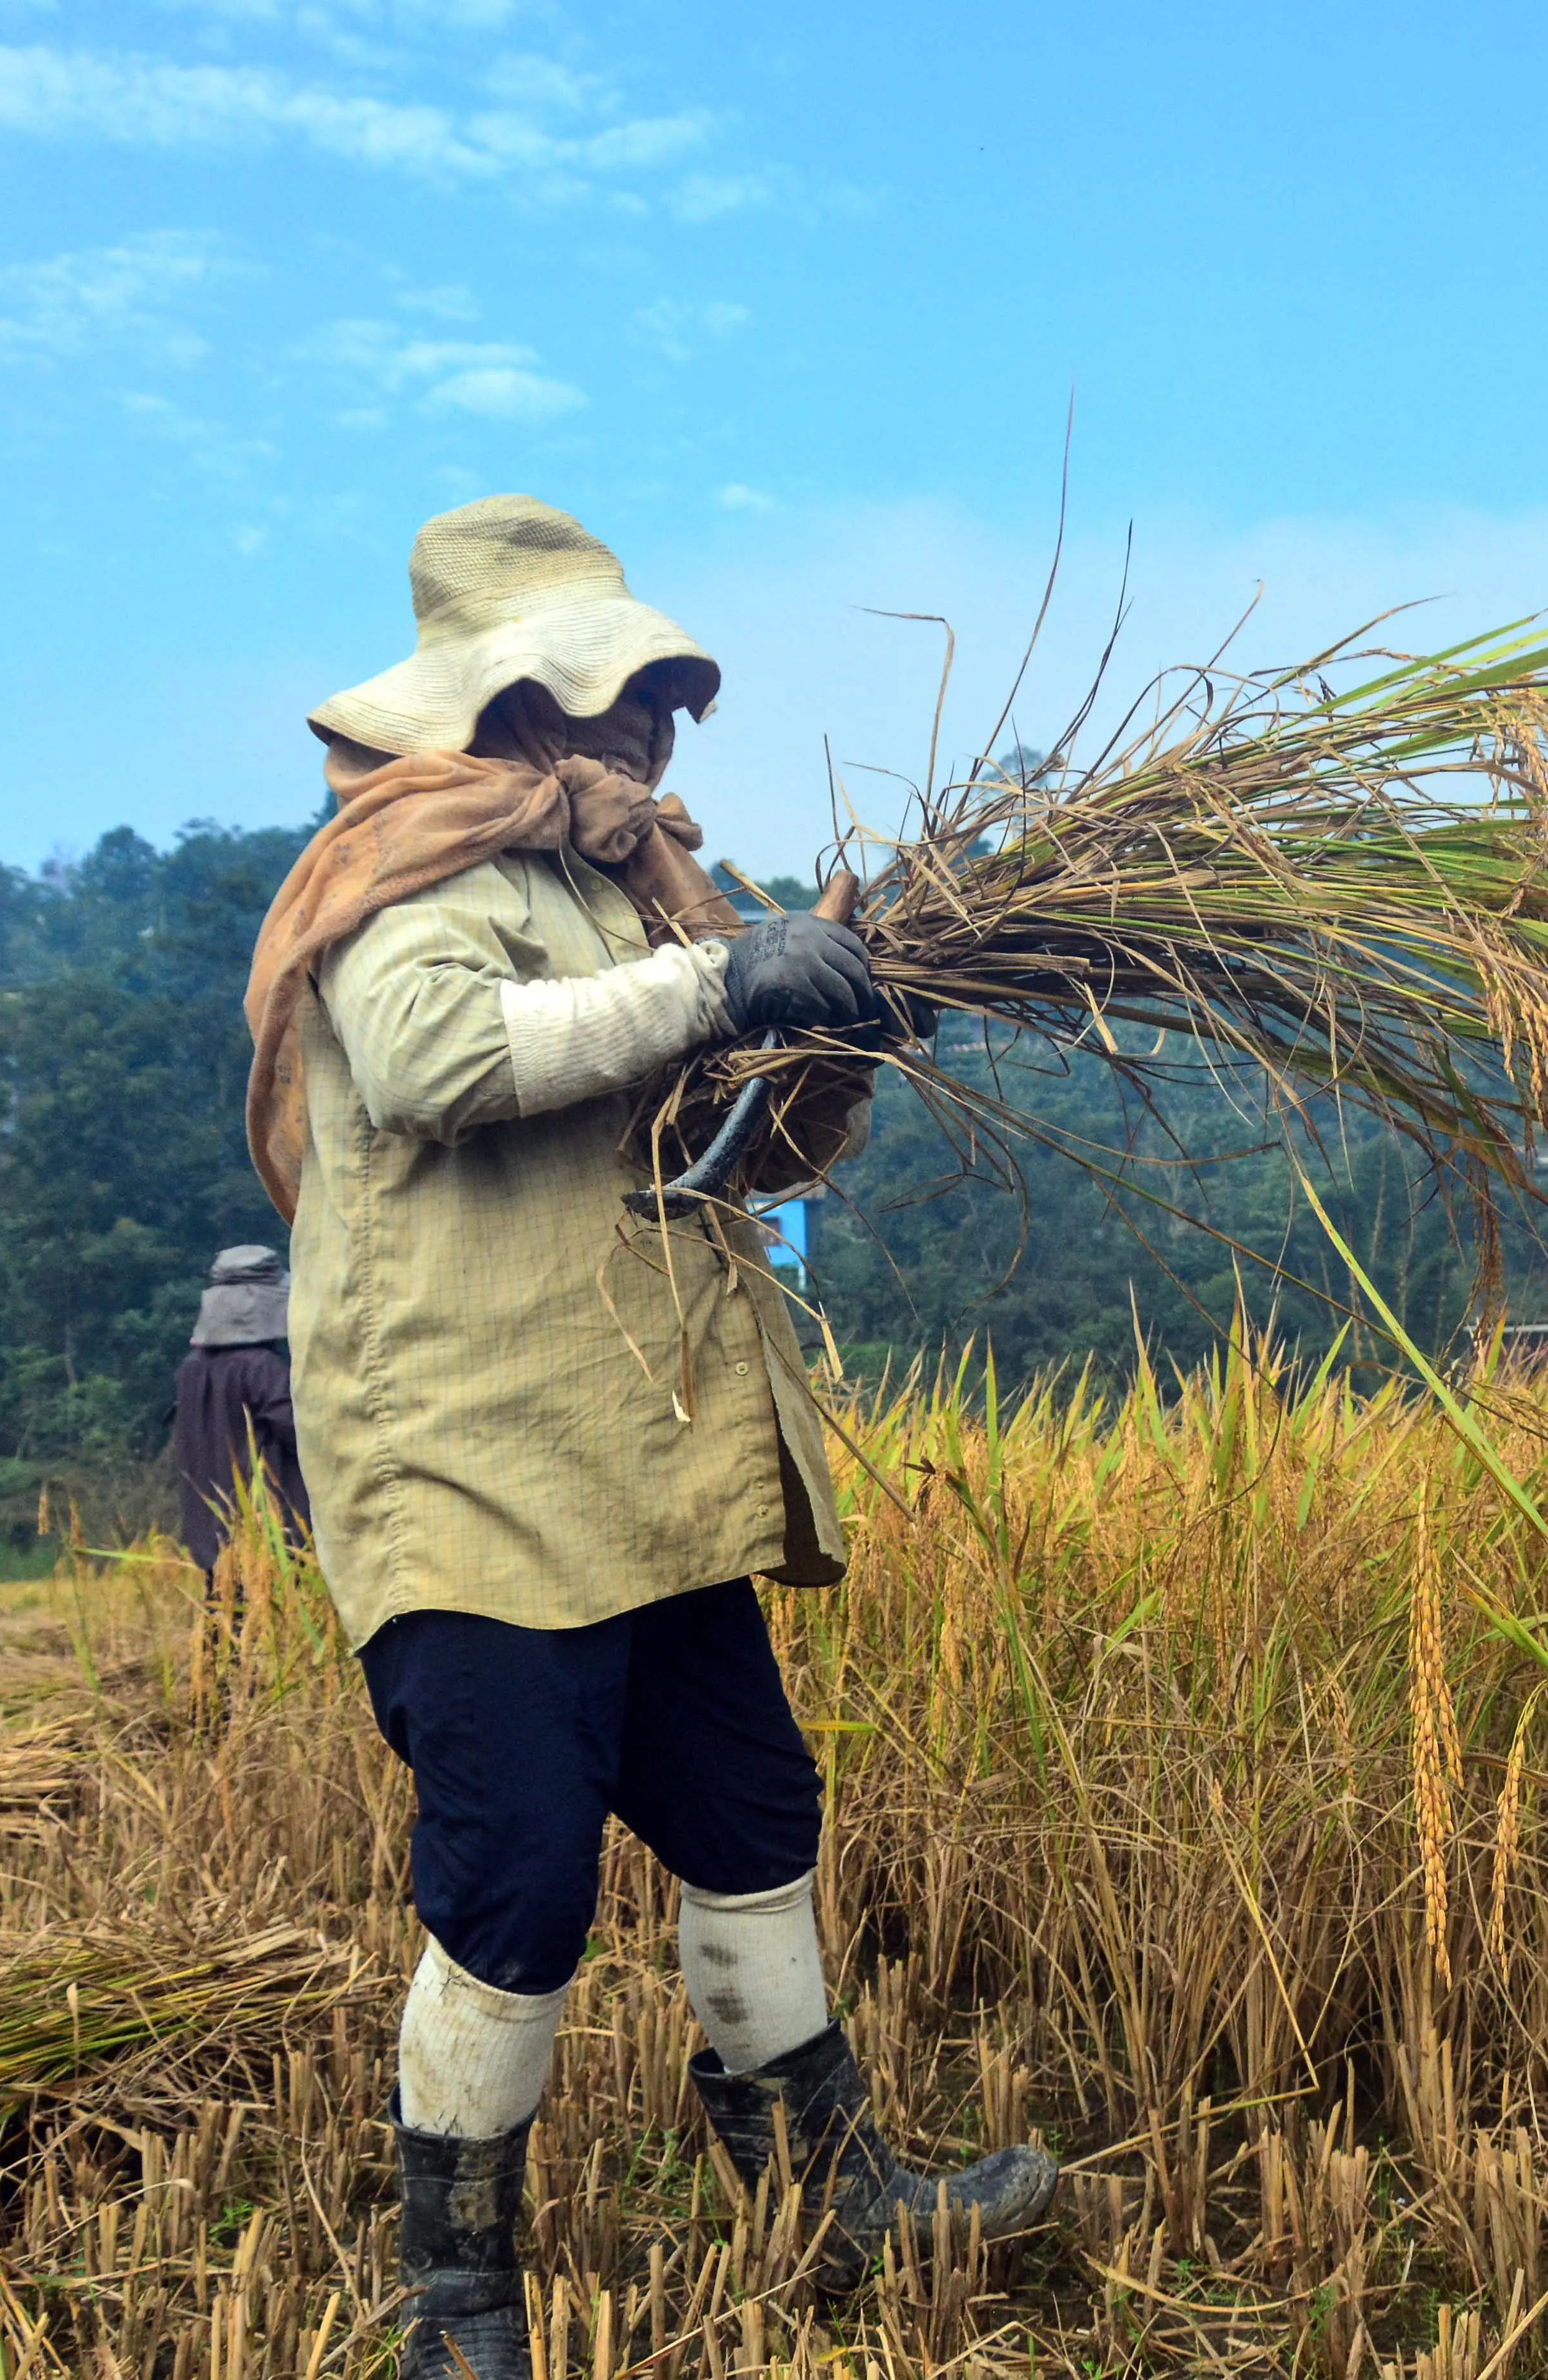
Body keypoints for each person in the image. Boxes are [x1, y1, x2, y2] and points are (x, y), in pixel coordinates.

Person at [243, 495, 1052, 2380]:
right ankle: (455, 2304)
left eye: (665, 696)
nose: (656, 729)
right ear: (514, 706)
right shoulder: (405, 872)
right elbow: (446, 1064)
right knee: (516, 1873)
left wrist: (831, 1035)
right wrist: (722, 982)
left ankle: (829, 2186)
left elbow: (720, 1157)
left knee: (749, 1806)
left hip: (649, 1446)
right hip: (474, 1460)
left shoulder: (639, 891)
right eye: (616, 695)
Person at [169, 1246, 308, 1580]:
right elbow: (306, 1438)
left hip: (212, 1534)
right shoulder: (264, 1369)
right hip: (271, 1537)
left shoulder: (192, 1369)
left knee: (225, 1622)